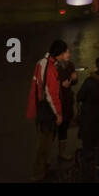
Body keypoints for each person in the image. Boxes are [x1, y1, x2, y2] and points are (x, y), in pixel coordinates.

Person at [26, 40, 67, 181]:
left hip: (41, 110)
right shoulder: (49, 68)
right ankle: (38, 175)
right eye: (65, 52)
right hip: (47, 113)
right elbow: (51, 95)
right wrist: (59, 114)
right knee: (44, 145)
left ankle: (43, 169)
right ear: (59, 54)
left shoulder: (42, 63)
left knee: (45, 144)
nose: (67, 54)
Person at [56, 51, 78, 161]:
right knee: (53, 130)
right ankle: (44, 160)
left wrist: (73, 79)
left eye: (69, 52)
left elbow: (74, 81)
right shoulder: (55, 67)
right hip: (57, 102)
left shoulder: (70, 65)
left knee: (64, 128)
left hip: (67, 102)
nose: (69, 55)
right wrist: (61, 84)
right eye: (66, 53)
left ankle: (62, 153)